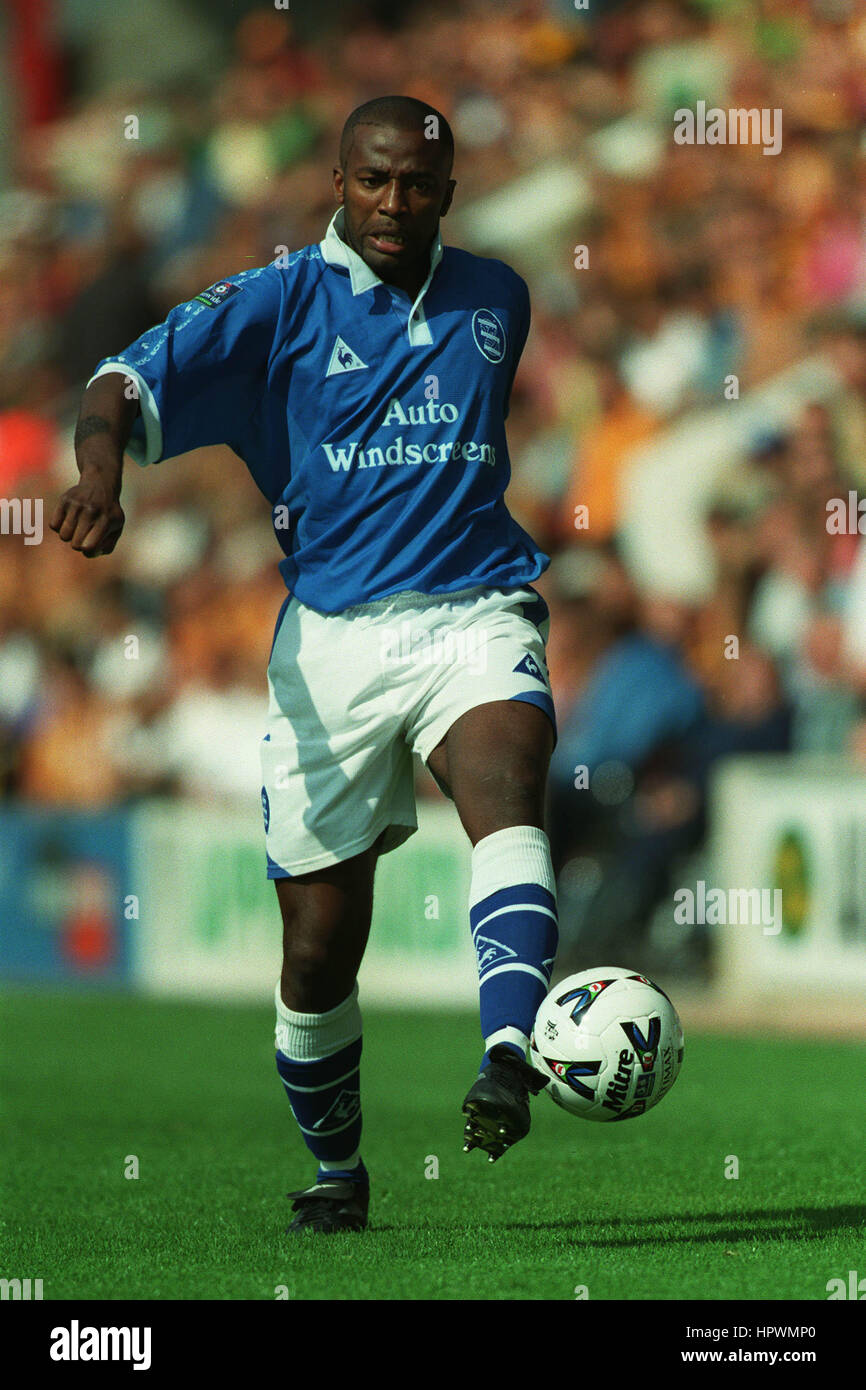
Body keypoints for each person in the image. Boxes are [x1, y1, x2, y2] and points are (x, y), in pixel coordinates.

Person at [50, 95, 558, 1234]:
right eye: (371, 180)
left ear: (447, 194)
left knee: (509, 774)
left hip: (474, 607)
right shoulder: (273, 302)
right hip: (331, 641)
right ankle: (338, 1170)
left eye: (415, 185)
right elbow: (116, 384)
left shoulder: (497, 296)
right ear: (337, 182)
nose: (392, 202)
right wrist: (102, 473)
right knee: (320, 950)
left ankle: (512, 1049)